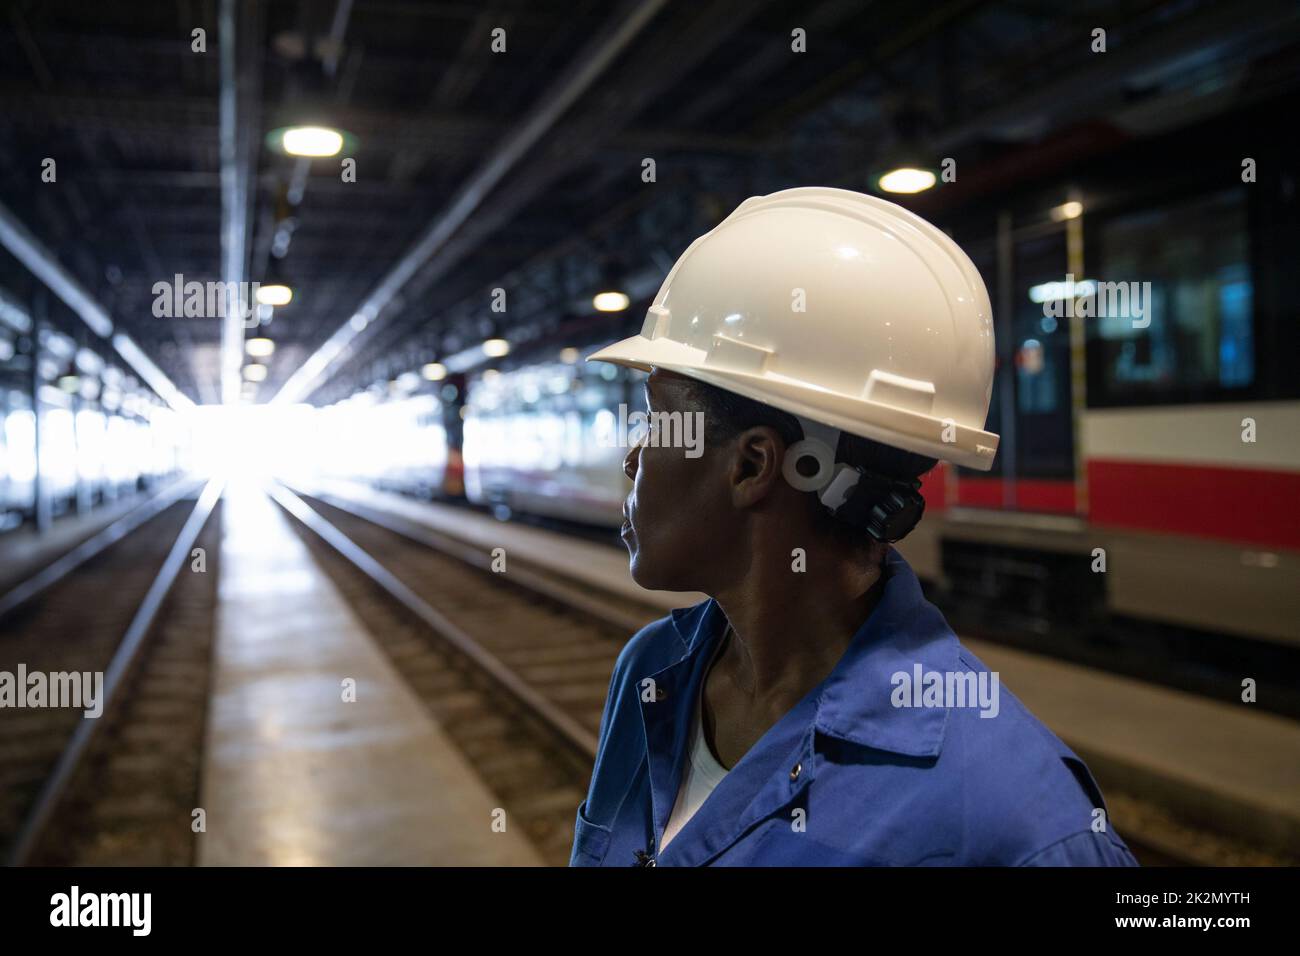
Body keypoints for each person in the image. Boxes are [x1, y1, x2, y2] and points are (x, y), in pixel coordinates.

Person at [568, 187, 1137, 866]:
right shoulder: (650, 674)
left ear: (753, 465)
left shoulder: (1017, 825)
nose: (633, 456)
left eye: (659, 419)